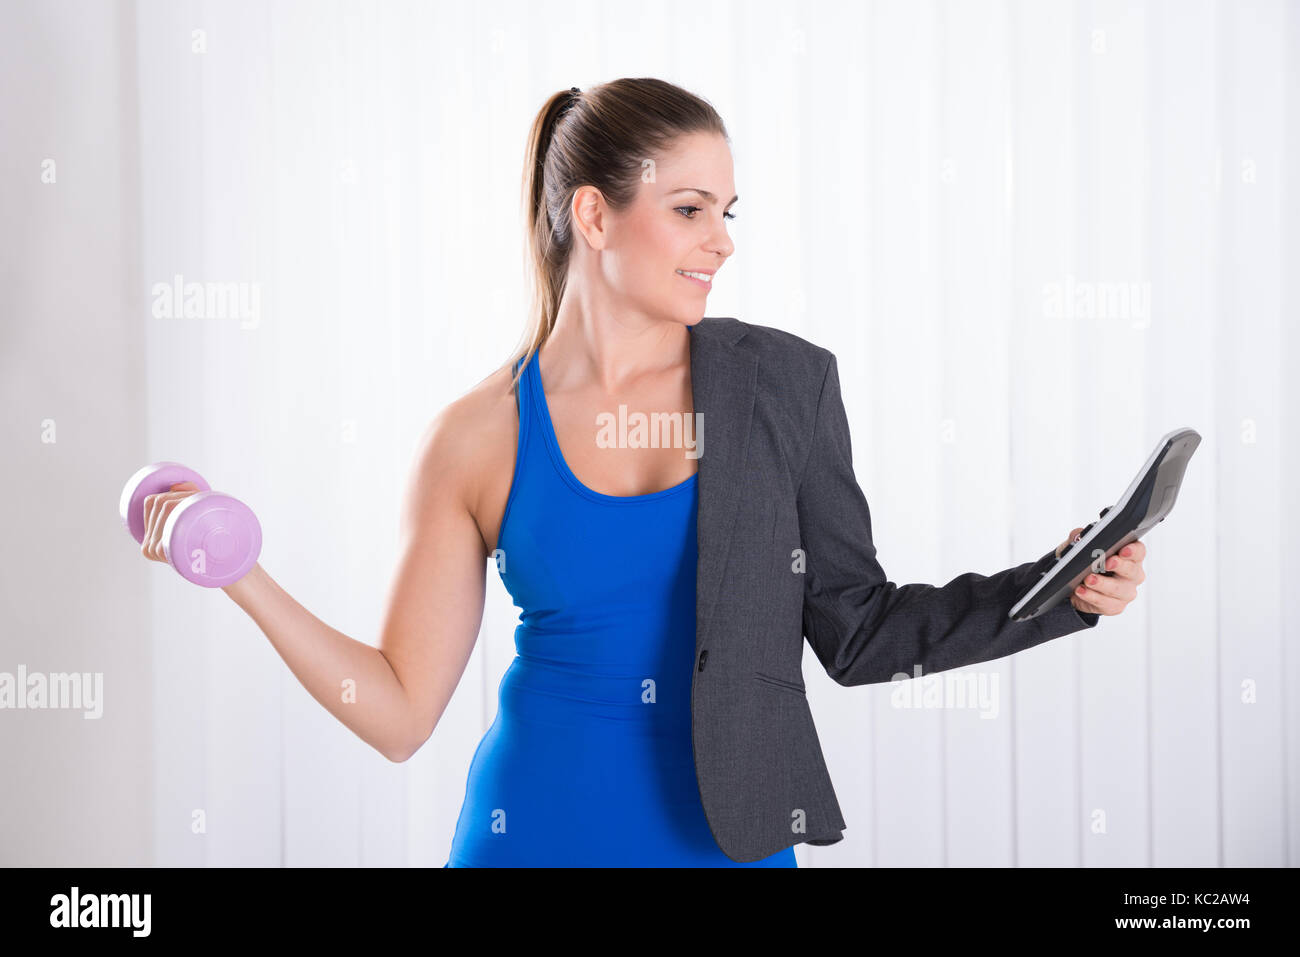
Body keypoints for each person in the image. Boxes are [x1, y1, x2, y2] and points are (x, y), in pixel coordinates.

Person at [137, 78, 1147, 867]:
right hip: (526, 838)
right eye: (692, 209)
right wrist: (237, 573)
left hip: (728, 851)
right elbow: (399, 714)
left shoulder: (783, 388)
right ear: (594, 214)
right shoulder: (477, 436)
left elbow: (859, 631)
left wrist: (1057, 592)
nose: (723, 244)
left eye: (729, 212)